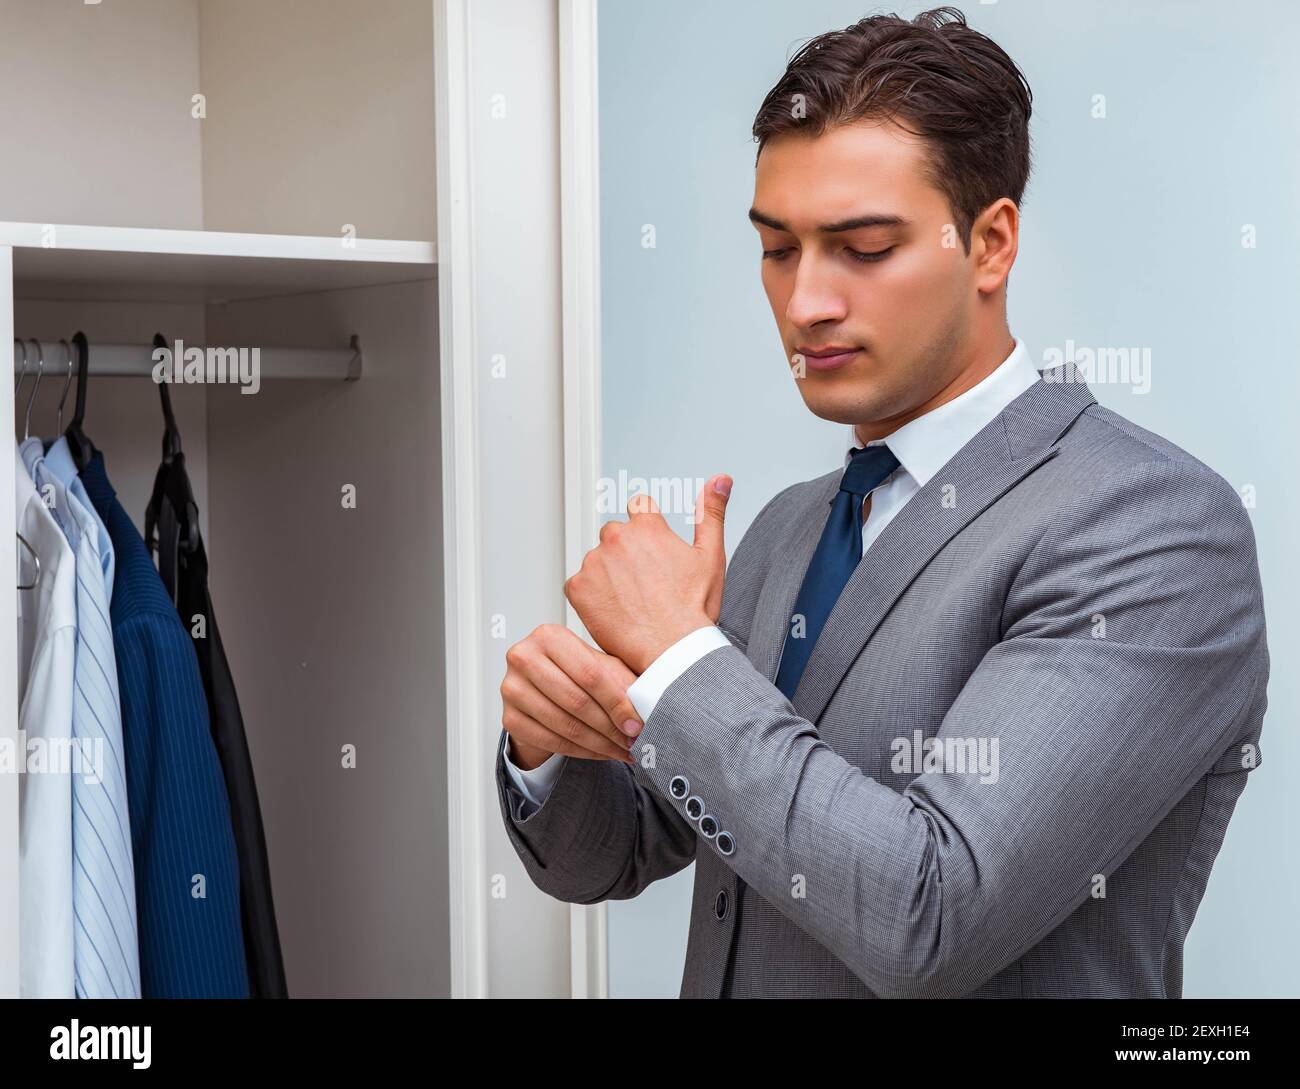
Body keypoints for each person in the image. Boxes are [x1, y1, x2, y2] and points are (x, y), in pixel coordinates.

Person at [493, 7, 1269, 998]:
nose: (804, 303)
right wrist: (549, 745)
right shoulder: (787, 528)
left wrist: (679, 659)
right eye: (778, 249)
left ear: (990, 245)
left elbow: (929, 914)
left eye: (861, 247)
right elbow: (616, 854)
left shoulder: (1154, 529)